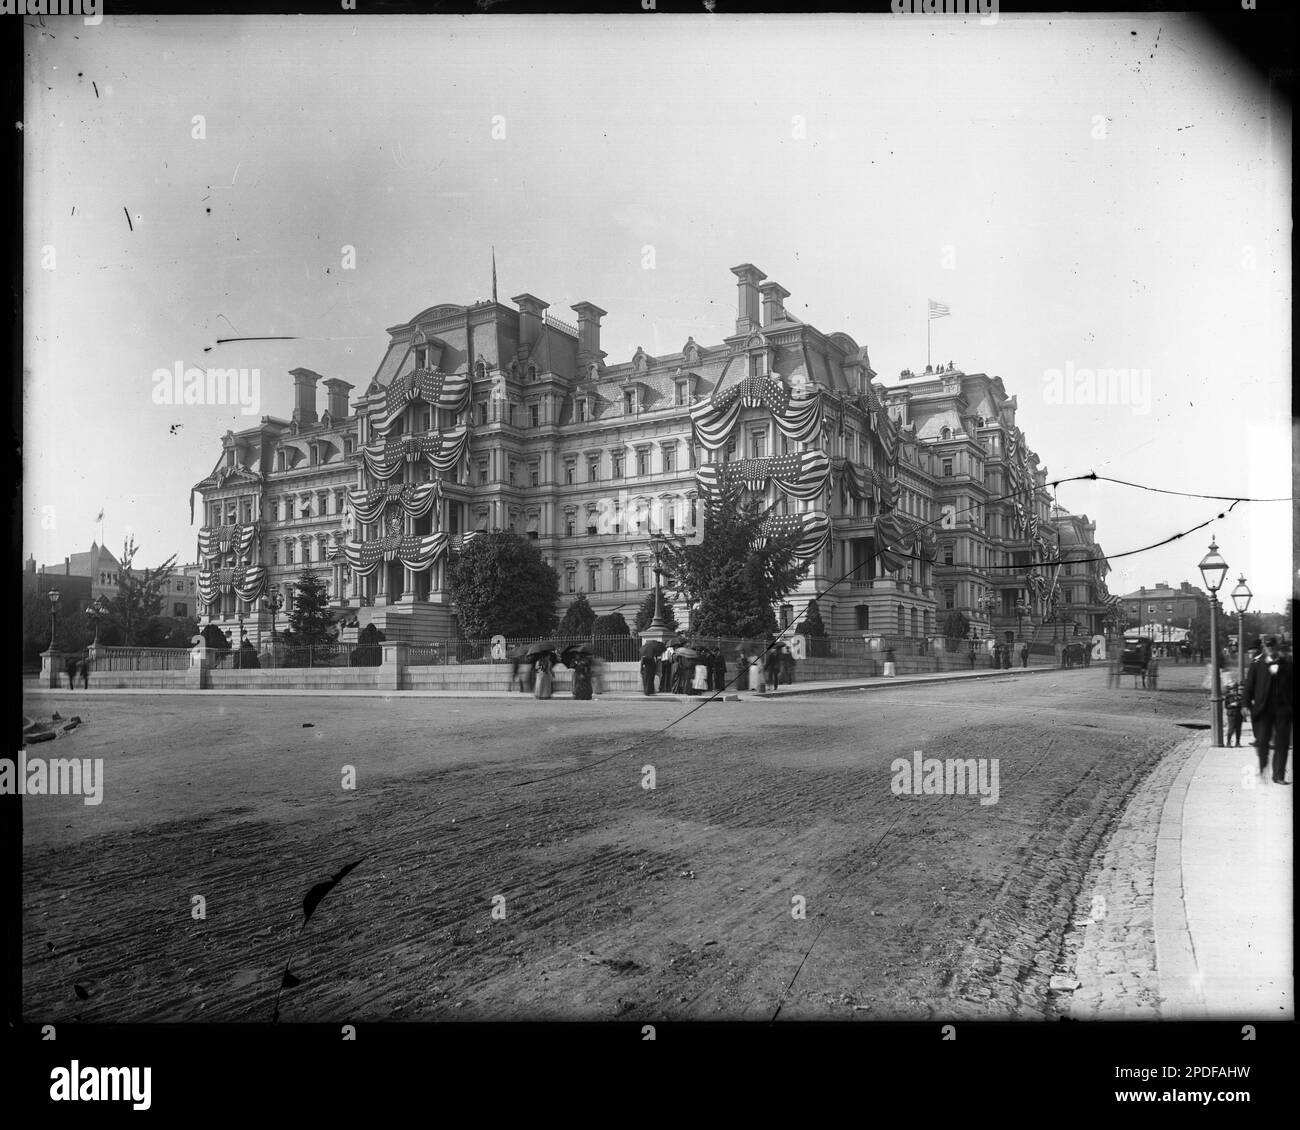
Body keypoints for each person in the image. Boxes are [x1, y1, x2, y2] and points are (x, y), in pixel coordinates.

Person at [1243, 636, 1292, 783]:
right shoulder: (1257, 663)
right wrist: (1245, 704)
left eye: (1272, 646)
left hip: (1283, 708)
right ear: (1264, 647)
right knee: (1262, 740)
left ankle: (1278, 775)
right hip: (1263, 708)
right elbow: (1249, 685)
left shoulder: (1287, 663)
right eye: (1267, 646)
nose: (1269, 649)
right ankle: (1263, 765)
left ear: (1276, 647)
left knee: (1282, 743)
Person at [1224, 679, 1244, 748]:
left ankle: (1237, 742)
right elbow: (1226, 706)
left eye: (1236, 690)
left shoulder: (1240, 696)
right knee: (1231, 729)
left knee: (1238, 729)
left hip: (1239, 714)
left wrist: (1239, 703)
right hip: (1231, 714)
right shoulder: (1228, 697)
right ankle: (1228, 742)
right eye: (1233, 690)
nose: (1235, 691)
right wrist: (1232, 705)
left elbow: (1243, 704)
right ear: (1230, 690)